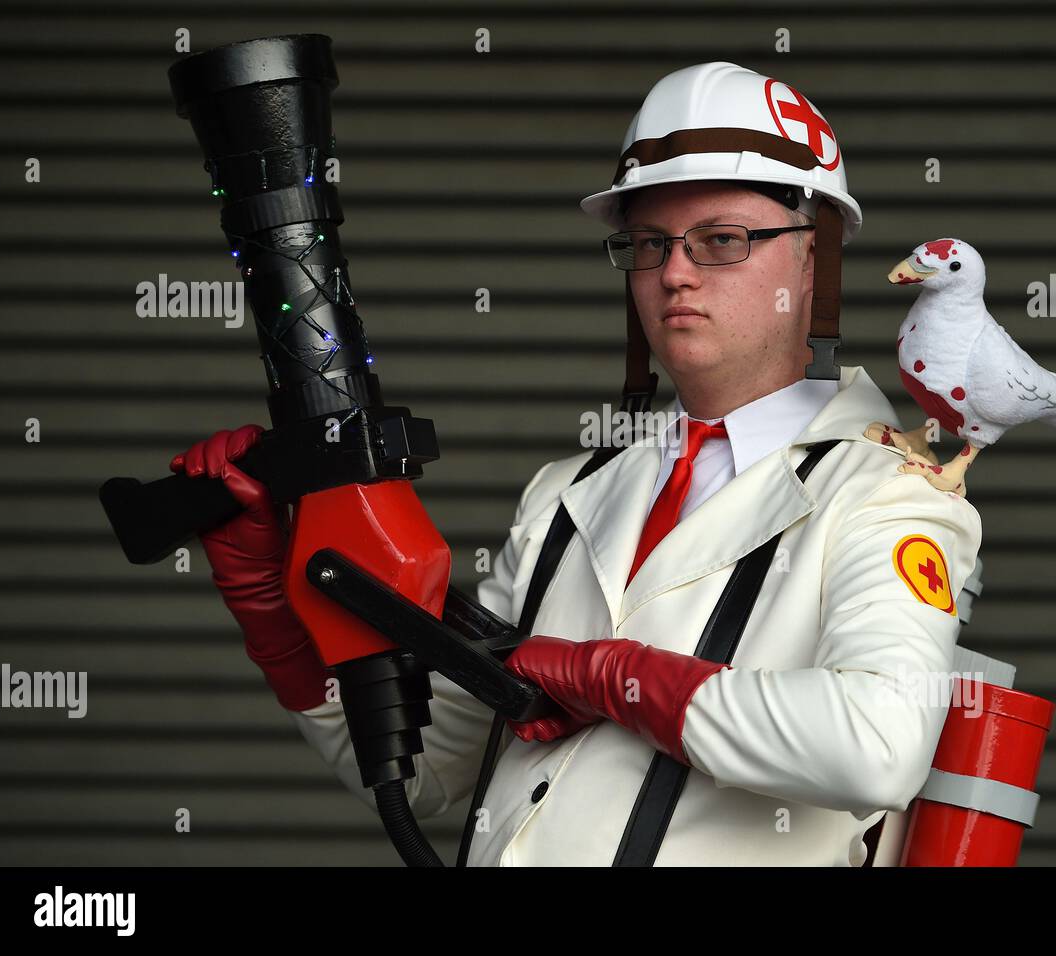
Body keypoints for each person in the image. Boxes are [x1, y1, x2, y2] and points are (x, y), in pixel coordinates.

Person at [172, 62, 981, 866]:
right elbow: (413, 776)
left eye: (723, 240)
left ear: (815, 258)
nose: (674, 272)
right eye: (648, 243)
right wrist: (270, 599)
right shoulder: (569, 493)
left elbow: (878, 742)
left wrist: (611, 676)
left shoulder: (890, 492)